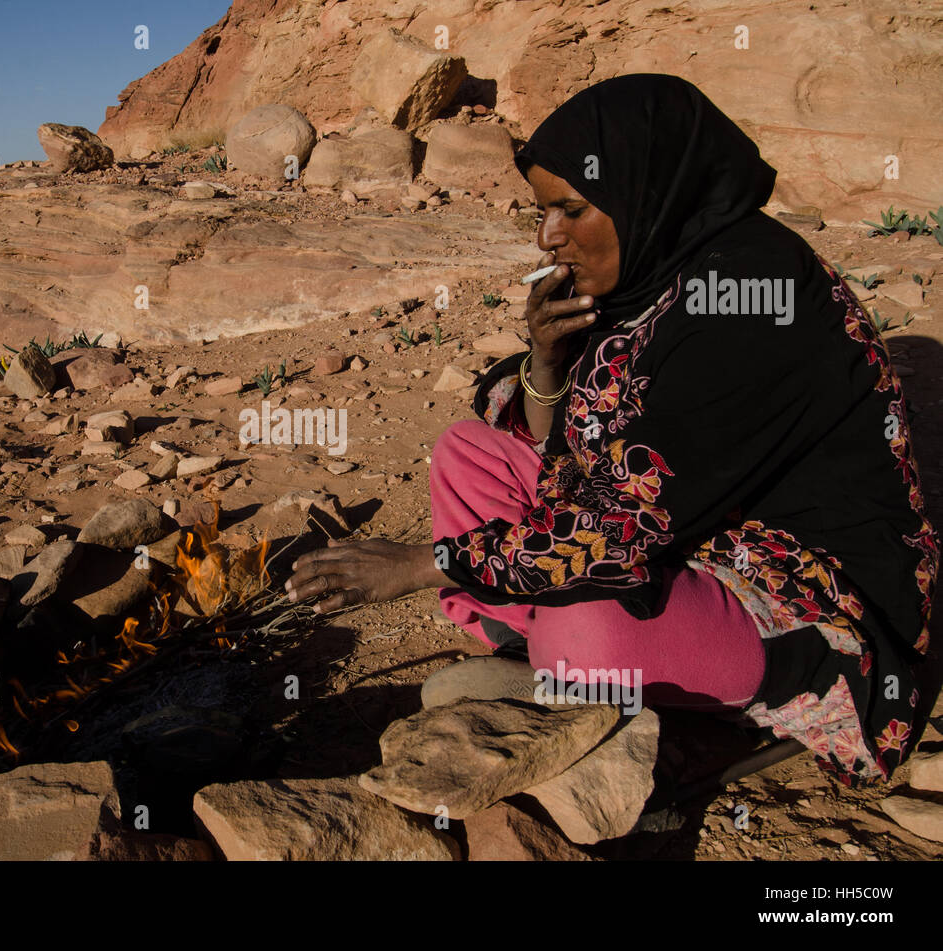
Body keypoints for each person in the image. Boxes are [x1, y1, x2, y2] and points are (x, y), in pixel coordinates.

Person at [284, 73, 937, 786]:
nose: (547, 237)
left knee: (583, 626)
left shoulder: (759, 294)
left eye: (570, 210)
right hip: (667, 537)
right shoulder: (652, 275)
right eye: (543, 212)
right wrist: (545, 363)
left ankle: (739, 687)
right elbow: (568, 445)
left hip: (789, 584)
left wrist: (419, 564)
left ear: (645, 190)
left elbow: (624, 517)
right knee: (466, 454)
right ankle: (541, 651)